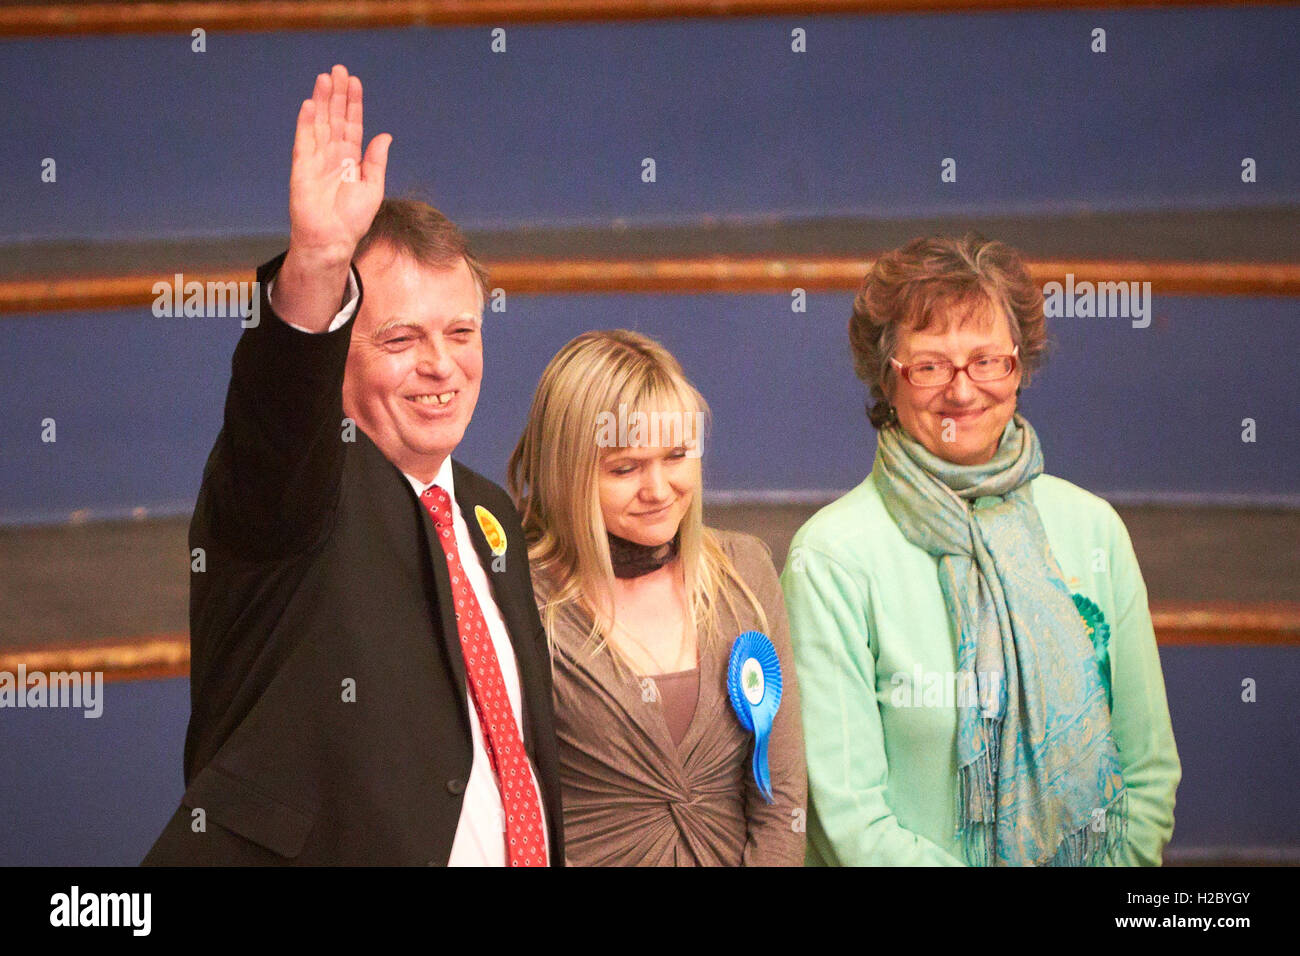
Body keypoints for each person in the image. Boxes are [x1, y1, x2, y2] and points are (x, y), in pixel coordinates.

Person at [143, 65, 563, 865]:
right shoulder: (298, 489)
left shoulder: (487, 511)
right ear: (340, 350)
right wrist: (318, 268)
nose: (441, 366)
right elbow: (277, 409)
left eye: (462, 334)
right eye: (401, 340)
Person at [782, 234, 1180, 866]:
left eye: (987, 361)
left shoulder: (1093, 529)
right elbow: (847, 820)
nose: (962, 392)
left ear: (1019, 366)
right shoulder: (831, 558)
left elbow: (1149, 772)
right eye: (931, 365)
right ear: (888, 379)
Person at [507, 330, 806, 865]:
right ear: (564, 472)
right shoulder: (519, 594)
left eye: (676, 456)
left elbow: (781, 801)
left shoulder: (745, 569)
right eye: (625, 468)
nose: (660, 489)